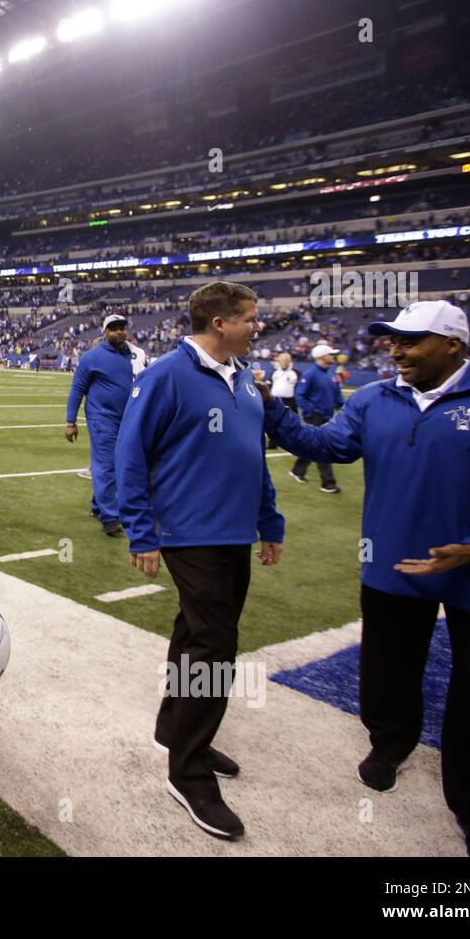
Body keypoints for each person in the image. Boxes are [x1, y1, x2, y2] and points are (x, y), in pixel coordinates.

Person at [256, 300, 470, 857]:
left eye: (410, 340)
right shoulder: (375, 398)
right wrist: (272, 410)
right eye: (391, 340)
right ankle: (389, 743)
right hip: (392, 563)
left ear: (454, 345)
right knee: (389, 669)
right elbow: (328, 446)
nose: (394, 350)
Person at [115, 282, 285, 841]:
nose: (256, 327)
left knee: (195, 634)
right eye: (249, 319)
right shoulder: (166, 374)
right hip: (187, 532)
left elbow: (253, 458)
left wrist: (270, 520)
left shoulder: (246, 382)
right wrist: (141, 532)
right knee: (216, 644)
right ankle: (187, 773)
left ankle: (174, 729)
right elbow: (130, 454)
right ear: (219, 322)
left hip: (232, 531)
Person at [66, 314, 141, 536]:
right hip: (102, 419)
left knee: (119, 464)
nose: (119, 332)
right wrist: (70, 421)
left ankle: (99, 505)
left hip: (127, 419)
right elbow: (77, 390)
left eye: (122, 328)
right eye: (114, 328)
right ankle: (110, 517)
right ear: (105, 332)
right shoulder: (92, 358)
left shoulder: (134, 355)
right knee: (107, 465)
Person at [290, 344, 343, 492]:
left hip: (328, 415)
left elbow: (337, 394)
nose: (333, 356)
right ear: (321, 357)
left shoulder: (330, 373)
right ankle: (328, 483)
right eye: (330, 354)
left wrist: (342, 406)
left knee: (311, 447)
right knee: (324, 449)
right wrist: (309, 412)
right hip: (315, 417)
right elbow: (300, 395)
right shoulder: (310, 374)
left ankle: (297, 470)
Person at [266, 352, 298, 449]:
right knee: (273, 422)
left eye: (285, 361)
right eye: (281, 361)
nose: (283, 363)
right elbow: (270, 383)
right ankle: (273, 443)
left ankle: (292, 442)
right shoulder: (275, 373)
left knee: (290, 423)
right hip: (275, 399)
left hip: (289, 400)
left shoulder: (294, 373)